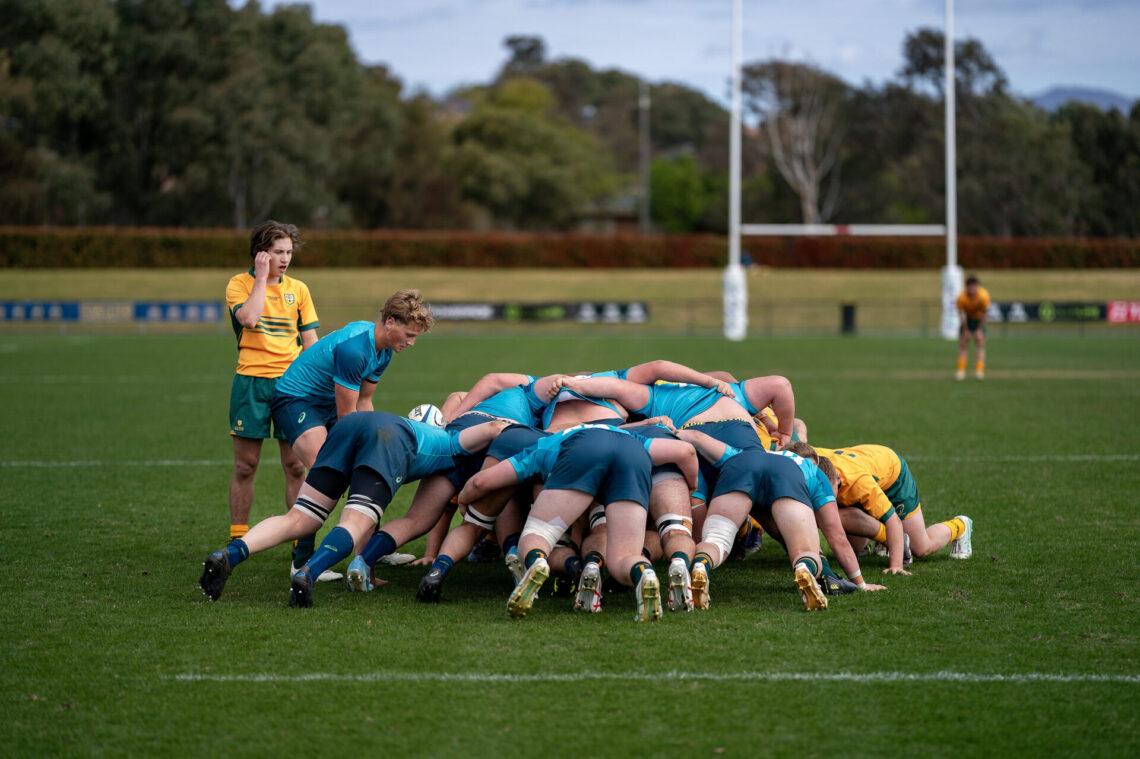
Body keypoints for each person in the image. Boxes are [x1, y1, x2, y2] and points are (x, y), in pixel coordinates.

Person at [198, 410, 508, 606]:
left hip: (351, 425)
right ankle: (308, 573)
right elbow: (493, 427)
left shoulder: (429, 429)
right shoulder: (452, 441)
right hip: (388, 439)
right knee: (355, 523)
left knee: (300, 517)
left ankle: (229, 555)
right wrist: (520, 431)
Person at [457, 423, 699, 622]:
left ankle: (538, 561)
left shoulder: (544, 444)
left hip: (580, 453)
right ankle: (644, 573)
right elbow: (686, 451)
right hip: (634, 455)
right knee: (623, 559)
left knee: (537, 535)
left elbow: (481, 482)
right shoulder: (631, 435)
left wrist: (464, 498)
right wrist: (692, 486)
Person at [224, 221, 320, 568]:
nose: (285, 259)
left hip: (291, 386)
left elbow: (311, 344)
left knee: (295, 465)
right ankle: (238, 539)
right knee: (245, 465)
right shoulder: (239, 284)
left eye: (289, 252)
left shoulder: (299, 290)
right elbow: (250, 319)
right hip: (251, 383)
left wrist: (318, 384)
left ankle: (298, 539)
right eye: (278, 252)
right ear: (260, 253)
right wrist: (262, 278)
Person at [270, 289, 435, 468]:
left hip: (329, 400)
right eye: (409, 335)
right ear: (390, 322)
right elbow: (347, 417)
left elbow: (364, 401)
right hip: (296, 399)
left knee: (353, 466)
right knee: (326, 470)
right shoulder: (355, 351)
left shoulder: (385, 351)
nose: (411, 343)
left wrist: (373, 440)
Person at [814, 444, 973, 564]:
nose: (825, 498)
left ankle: (960, 526)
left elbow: (893, 520)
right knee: (855, 546)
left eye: (829, 493)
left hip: (893, 477)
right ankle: (884, 539)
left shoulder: (861, 484)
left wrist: (896, 565)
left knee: (921, 547)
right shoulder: (806, 463)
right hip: (864, 464)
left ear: (838, 479)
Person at [956, 274, 990, 381]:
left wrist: (979, 329)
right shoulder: (961, 297)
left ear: (977, 286)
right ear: (966, 286)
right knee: (963, 343)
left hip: (979, 320)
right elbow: (961, 314)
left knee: (980, 343)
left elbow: (984, 313)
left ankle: (979, 371)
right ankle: (961, 371)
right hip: (967, 320)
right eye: (969, 286)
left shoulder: (983, 295)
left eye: (974, 286)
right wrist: (965, 329)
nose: (972, 289)